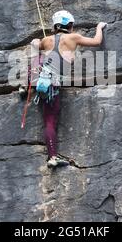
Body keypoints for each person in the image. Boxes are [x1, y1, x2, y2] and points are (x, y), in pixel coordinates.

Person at [30, 10, 107, 167]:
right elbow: (97, 41)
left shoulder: (46, 40)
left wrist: (38, 42)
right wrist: (99, 27)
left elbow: (35, 46)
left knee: (48, 122)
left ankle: (27, 84)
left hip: (43, 80)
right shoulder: (74, 37)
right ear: (69, 25)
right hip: (54, 83)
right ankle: (53, 158)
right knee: (51, 120)